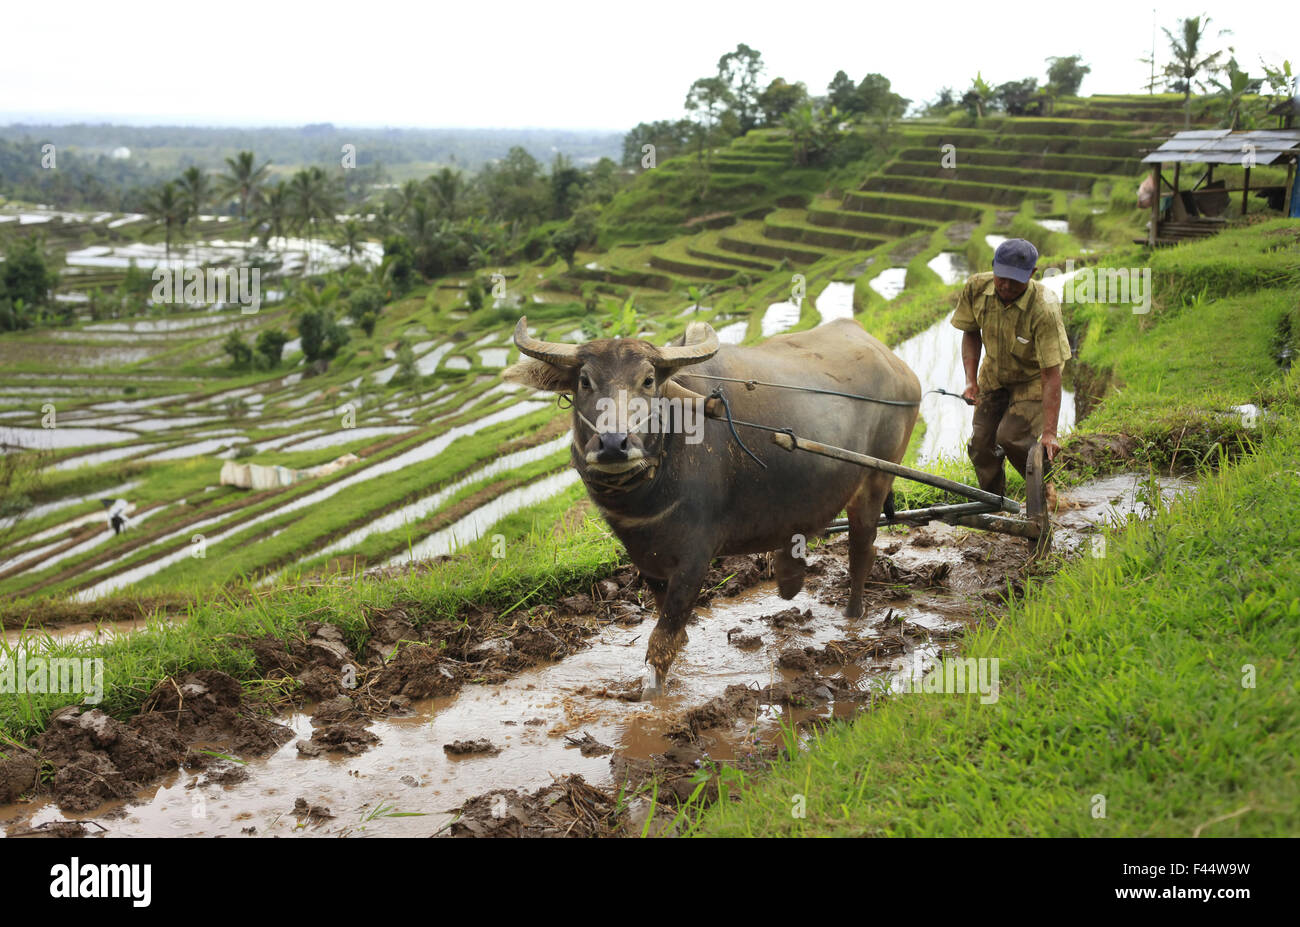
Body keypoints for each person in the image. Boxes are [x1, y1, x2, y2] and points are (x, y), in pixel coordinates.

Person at [950, 238, 1071, 505]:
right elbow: (971, 331)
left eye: (1015, 280)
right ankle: (995, 503)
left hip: (1032, 382)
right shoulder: (976, 288)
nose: (1005, 285)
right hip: (994, 377)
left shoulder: (1043, 308)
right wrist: (971, 381)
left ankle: (1045, 495)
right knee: (981, 445)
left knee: (1011, 436)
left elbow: (1051, 373)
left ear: (1032, 274)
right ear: (993, 267)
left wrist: (1050, 432)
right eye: (1001, 276)